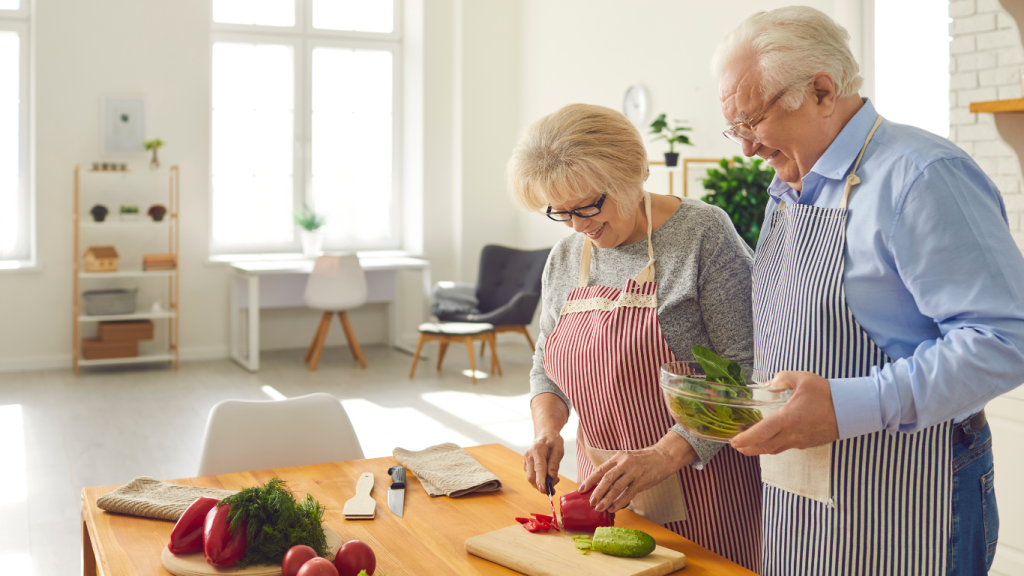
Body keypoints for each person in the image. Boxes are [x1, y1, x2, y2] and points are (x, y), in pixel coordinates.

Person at [713, 6, 1024, 575]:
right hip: (802, 491)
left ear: (823, 92)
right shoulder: (790, 185)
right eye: (734, 128)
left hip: (915, 481)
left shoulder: (922, 176)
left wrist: (847, 407)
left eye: (751, 122)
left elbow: (1004, 341)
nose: (746, 150)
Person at [508, 103, 762, 571]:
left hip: (705, 491)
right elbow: (548, 365)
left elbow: (746, 373)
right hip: (603, 494)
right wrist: (547, 430)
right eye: (560, 213)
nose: (579, 226)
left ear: (631, 174)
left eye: (588, 206)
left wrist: (663, 456)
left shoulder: (702, 235)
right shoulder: (565, 257)